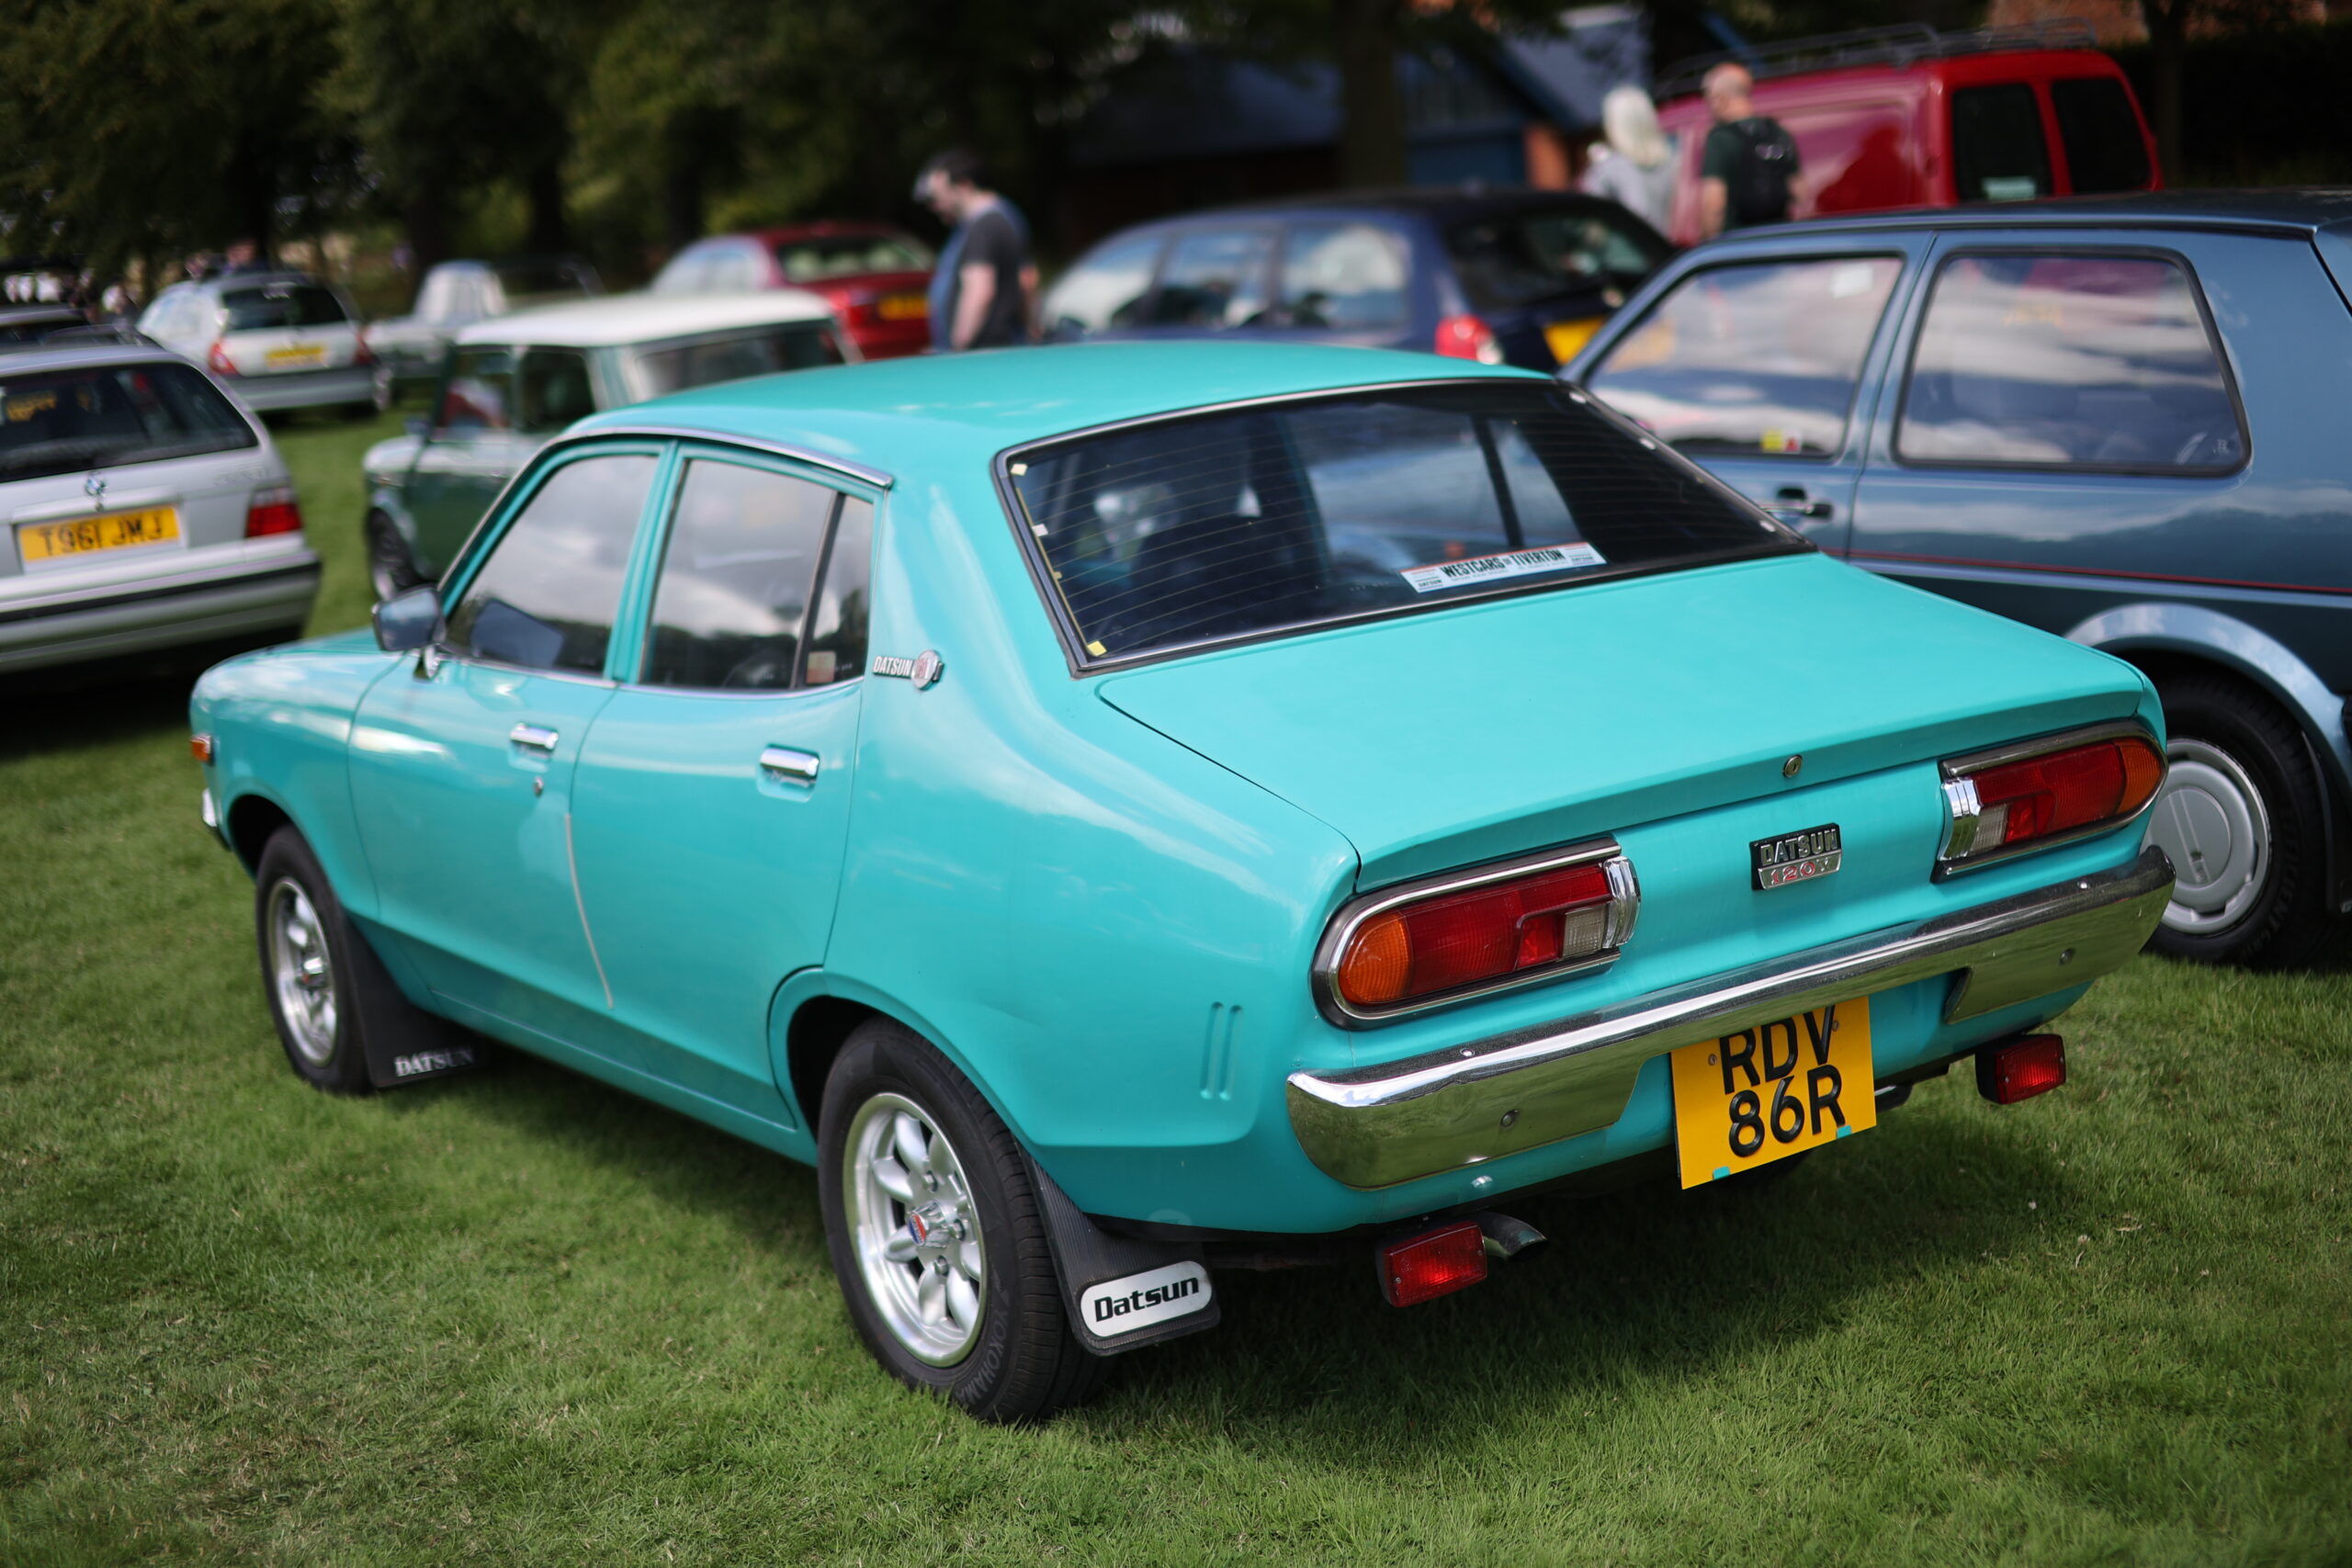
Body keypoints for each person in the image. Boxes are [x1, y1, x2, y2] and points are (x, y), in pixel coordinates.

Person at [913, 149, 1032, 352]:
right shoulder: (1005, 215)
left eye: (938, 196)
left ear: (964, 185)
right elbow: (1028, 278)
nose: (935, 206)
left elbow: (979, 290)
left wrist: (958, 345)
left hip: (980, 352)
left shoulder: (983, 226)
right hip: (996, 349)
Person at [1698, 62, 1804, 239]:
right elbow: (1800, 195)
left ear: (1720, 98)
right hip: (1778, 240)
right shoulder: (1777, 132)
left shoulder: (1721, 139)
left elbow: (1713, 204)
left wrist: (1708, 247)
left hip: (1738, 245)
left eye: (1709, 98)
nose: (1710, 106)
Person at [1579, 85, 1676, 235]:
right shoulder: (1674, 157)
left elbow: (1594, 228)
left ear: (1614, 123)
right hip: (1672, 249)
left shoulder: (1608, 167)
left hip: (1625, 253)